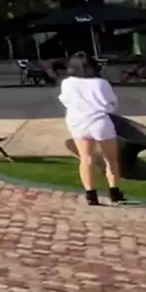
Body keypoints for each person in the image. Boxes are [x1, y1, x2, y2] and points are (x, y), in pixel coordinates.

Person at [59, 53, 127, 206]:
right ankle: (114, 191)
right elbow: (112, 103)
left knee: (86, 158)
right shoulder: (101, 83)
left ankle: (91, 194)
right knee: (111, 159)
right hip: (99, 121)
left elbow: (65, 100)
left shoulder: (67, 83)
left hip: (77, 121)